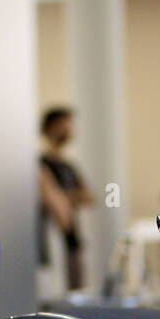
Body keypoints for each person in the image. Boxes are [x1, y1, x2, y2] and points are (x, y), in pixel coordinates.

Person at [39, 106, 94, 289]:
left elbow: (88, 197)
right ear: (50, 127)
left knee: (76, 288)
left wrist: (62, 196)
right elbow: (52, 200)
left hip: (71, 238)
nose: (68, 129)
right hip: (51, 239)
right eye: (63, 124)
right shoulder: (40, 164)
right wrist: (61, 197)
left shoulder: (68, 165)